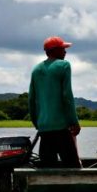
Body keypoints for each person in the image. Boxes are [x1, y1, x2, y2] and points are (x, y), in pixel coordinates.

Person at [28, 36, 82, 168]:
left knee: (48, 167)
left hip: (44, 128)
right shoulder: (64, 65)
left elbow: (31, 100)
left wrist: (37, 123)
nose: (65, 52)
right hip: (61, 127)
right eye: (63, 49)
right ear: (55, 50)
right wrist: (74, 122)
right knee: (73, 167)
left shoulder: (36, 69)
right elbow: (67, 96)